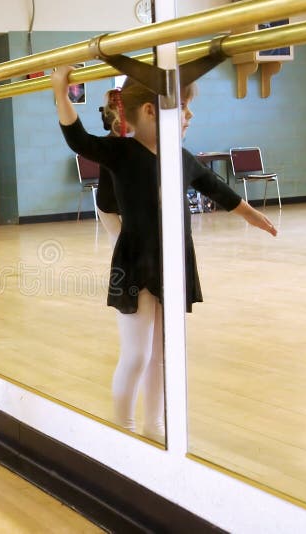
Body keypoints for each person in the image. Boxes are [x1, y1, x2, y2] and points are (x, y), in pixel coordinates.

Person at [51, 65, 277, 440]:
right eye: (182, 106)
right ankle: (123, 427)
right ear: (150, 111)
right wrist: (61, 91)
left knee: (162, 354)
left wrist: (252, 216)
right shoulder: (120, 152)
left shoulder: (180, 157)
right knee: (137, 354)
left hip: (172, 262)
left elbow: (217, 188)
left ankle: (154, 423)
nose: (189, 115)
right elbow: (79, 140)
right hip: (135, 262)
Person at [95, 88, 125, 245]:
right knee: (119, 243)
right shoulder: (106, 144)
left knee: (125, 243)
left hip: (124, 201)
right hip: (107, 203)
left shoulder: (133, 143)